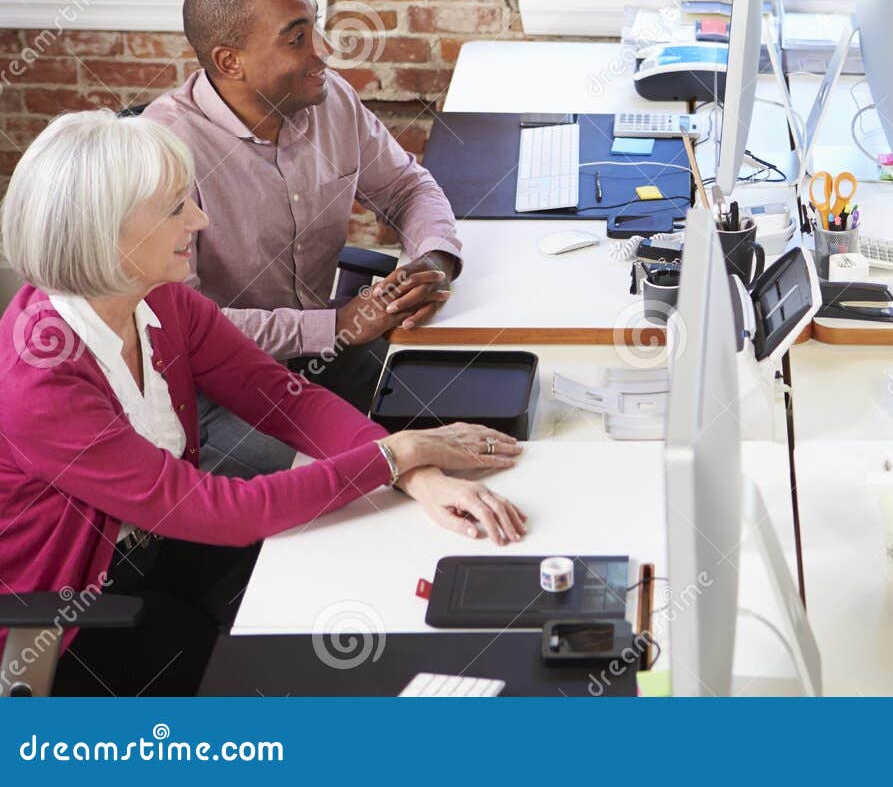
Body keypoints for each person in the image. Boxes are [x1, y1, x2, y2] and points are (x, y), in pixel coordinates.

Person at [0, 111, 526, 696]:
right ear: (107, 233)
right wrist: (393, 456)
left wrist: (420, 475)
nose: (198, 219)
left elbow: (285, 400)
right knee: (279, 671)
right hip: (70, 618)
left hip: (158, 552)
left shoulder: (162, 301)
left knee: (337, 582)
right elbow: (221, 511)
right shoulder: (40, 383)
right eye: (177, 208)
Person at [142, 0, 464, 478]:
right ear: (230, 61)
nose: (324, 52)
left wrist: (435, 257)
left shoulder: (330, 100)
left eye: (315, 26)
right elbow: (180, 327)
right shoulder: (164, 151)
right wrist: (333, 324)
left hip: (316, 358)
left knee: (456, 405)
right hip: (208, 392)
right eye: (297, 39)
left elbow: (406, 186)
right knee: (361, 485)